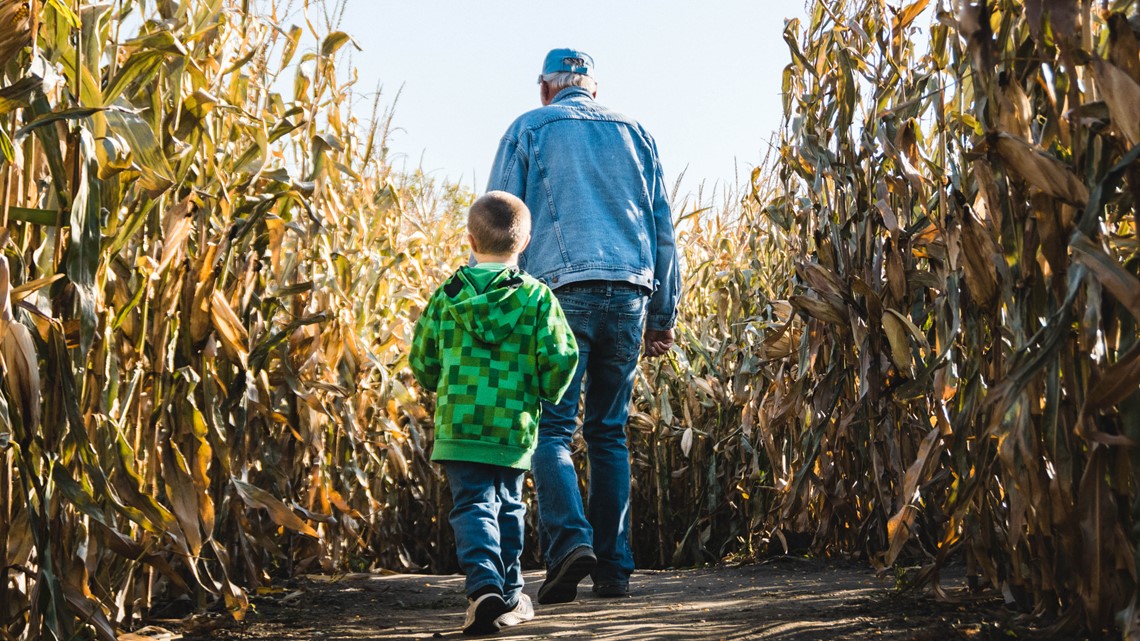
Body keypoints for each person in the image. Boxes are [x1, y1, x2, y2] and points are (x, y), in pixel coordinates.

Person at [487, 48, 680, 604]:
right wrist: (662, 315)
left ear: (545, 87)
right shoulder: (636, 133)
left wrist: (497, 309)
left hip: (558, 292)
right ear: (594, 89)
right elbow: (662, 230)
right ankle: (614, 570)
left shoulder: (530, 127)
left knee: (550, 429)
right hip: (631, 293)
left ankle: (571, 542)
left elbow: (499, 221)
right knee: (608, 430)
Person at [409, 191, 579, 635]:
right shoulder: (537, 298)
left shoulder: (447, 295)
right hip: (512, 424)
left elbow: (422, 358)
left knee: (472, 505)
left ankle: (485, 590)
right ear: (524, 243)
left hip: (460, 422)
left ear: (470, 240)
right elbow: (562, 356)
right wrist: (545, 391)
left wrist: (440, 382)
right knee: (508, 506)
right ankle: (508, 593)